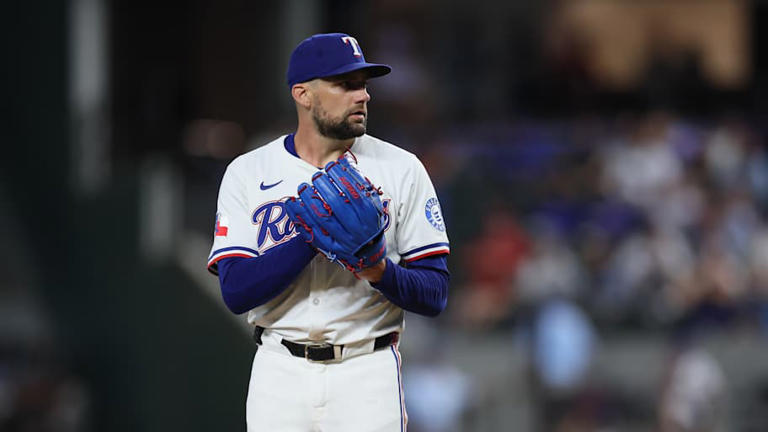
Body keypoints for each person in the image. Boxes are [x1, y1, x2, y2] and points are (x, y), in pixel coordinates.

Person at [206, 33, 451, 432]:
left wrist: (378, 271)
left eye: (364, 85)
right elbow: (236, 292)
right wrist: (312, 237)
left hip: (366, 371)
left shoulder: (402, 168)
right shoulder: (249, 172)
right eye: (345, 85)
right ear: (303, 94)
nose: (363, 96)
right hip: (279, 371)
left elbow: (435, 293)